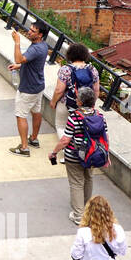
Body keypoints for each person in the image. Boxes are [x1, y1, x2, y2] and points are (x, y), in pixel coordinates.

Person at [50, 87, 103, 224]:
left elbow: (65, 140)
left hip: (75, 155)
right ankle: (87, 210)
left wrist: (54, 152)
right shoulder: (99, 115)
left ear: (79, 102)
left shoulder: (74, 117)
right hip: (92, 154)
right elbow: (105, 136)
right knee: (88, 179)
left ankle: (79, 215)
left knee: (76, 183)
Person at [7, 22, 48, 156]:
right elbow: (31, 63)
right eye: (29, 30)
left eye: (33, 31)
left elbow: (19, 58)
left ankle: (24, 147)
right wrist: (19, 67)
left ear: (40, 35)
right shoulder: (43, 46)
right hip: (38, 86)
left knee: (21, 115)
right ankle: (34, 139)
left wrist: (17, 42)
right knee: (36, 112)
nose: (29, 32)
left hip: (27, 89)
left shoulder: (35, 48)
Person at [53, 43, 99, 112]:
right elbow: (96, 90)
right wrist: (91, 105)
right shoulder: (92, 69)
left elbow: (59, 90)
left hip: (67, 104)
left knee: (62, 123)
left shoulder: (66, 69)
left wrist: (53, 102)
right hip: (85, 107)